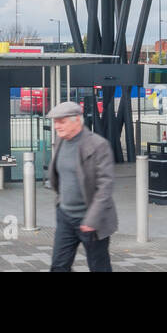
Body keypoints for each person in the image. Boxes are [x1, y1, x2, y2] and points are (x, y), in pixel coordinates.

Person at [47, 101, 117, 272]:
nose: (56, 126)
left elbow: (105, 187)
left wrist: (92, 219)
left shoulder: (98, 145)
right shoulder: (60, 141)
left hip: (91, 219)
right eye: (55, 122)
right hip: (65, 216)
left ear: (76, 120)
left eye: (61, 121)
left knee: (98, 266)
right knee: (58, 266)